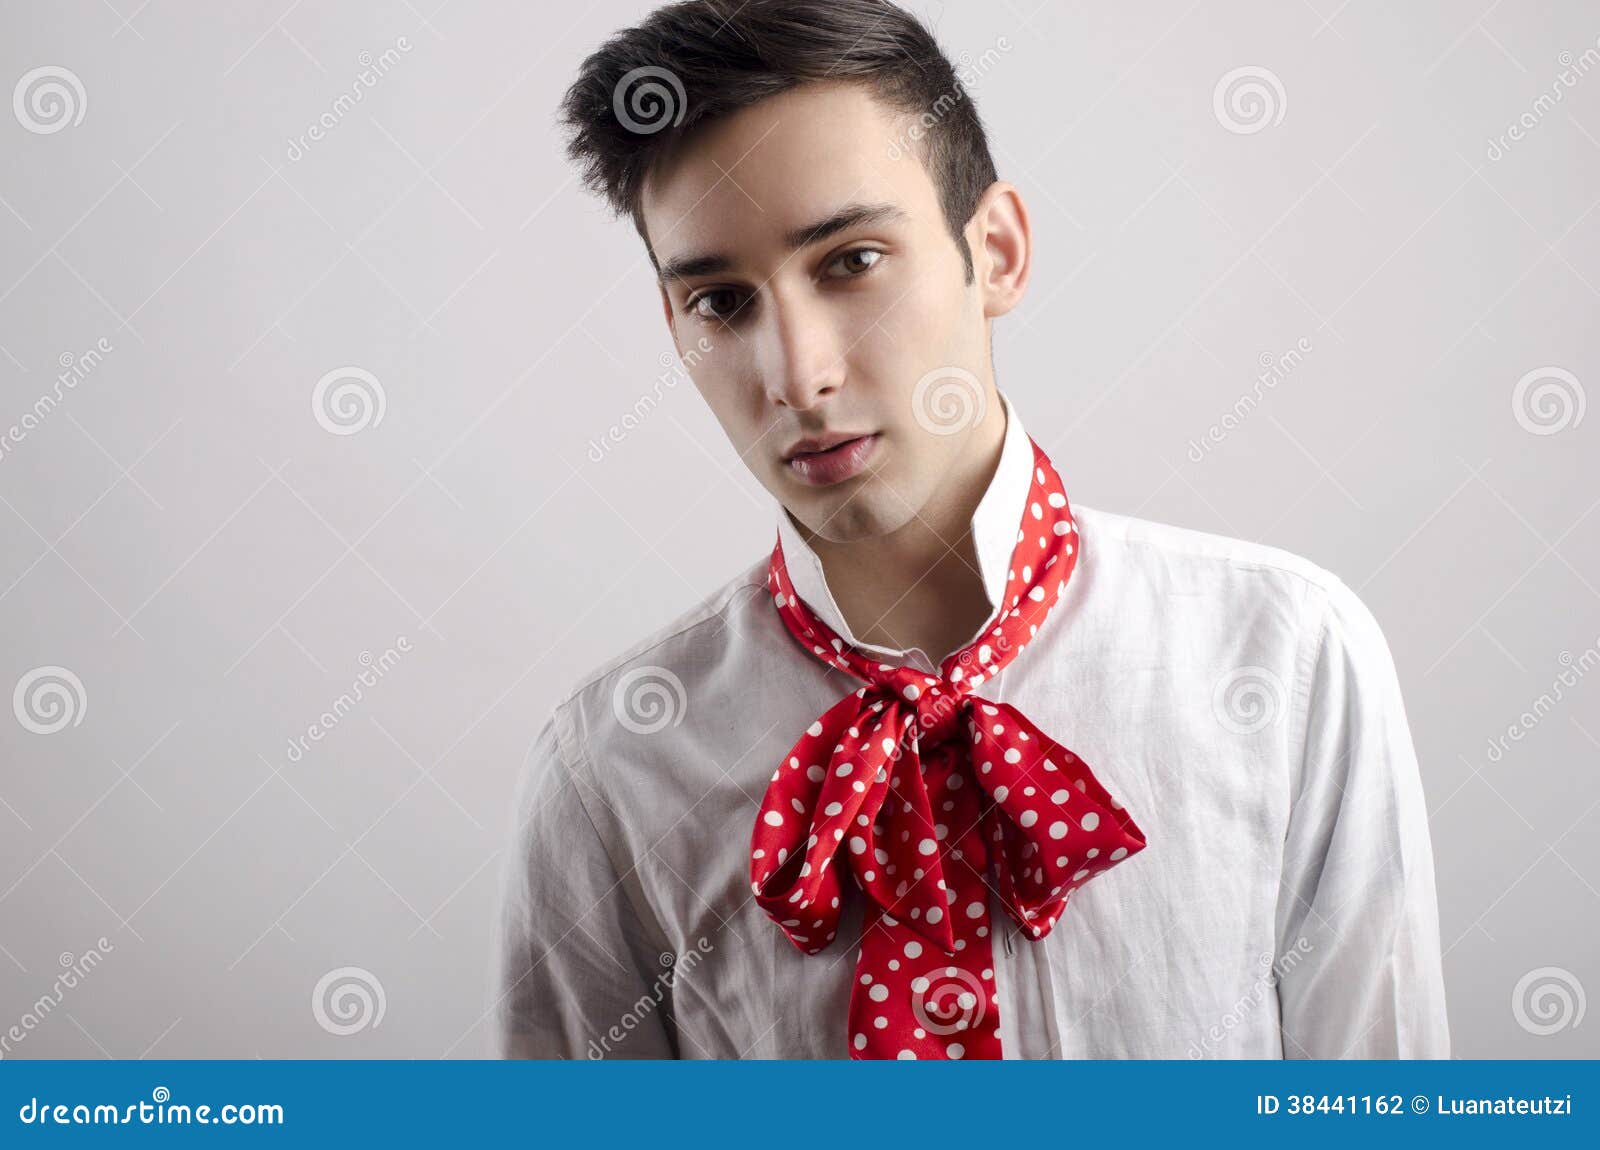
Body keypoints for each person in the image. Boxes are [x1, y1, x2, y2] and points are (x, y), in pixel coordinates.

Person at [491, 0, 1450, 1059]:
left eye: (851, 261)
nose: (798, 374)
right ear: (676, 327)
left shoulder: (1287, 657)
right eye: (722, 302)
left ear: (993, 252)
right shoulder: (612, 768)